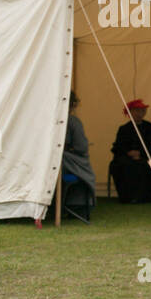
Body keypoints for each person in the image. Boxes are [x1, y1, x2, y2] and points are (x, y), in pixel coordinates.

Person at [108, 99, 151, 203]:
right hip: (126, 157)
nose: (140, 113)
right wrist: (129, 153)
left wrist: (140, 153)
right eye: (137, 110)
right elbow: (118, 145)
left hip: (144, 156)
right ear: (130, 112)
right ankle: (127, 197)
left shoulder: (149, 127)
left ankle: (145, 197)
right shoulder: (124, 129)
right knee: (121, 165)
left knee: (146, 165)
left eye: (142, 111)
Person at [59, 91, 96, 219]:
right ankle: (75, 205)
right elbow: (81, 147)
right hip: (67, 161)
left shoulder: (49, 120)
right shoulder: (73, 122)